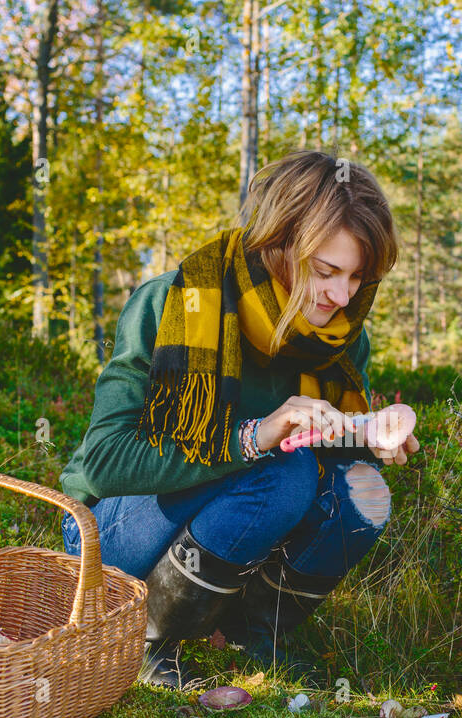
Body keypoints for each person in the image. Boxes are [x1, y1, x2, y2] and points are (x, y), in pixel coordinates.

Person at [59, 150, 420, 689]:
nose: (342, 296)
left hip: (240, 513)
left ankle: (259, 638)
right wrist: (253, 437)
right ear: (276, 245)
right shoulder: (171, 303)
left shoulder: (341, 336)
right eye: (325, 272)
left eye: (356, 276)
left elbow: (323, 445)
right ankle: (148, 639)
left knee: (365, 490)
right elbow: (107, 463)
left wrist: (372, 432)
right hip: (109, 530)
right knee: (283, 473)